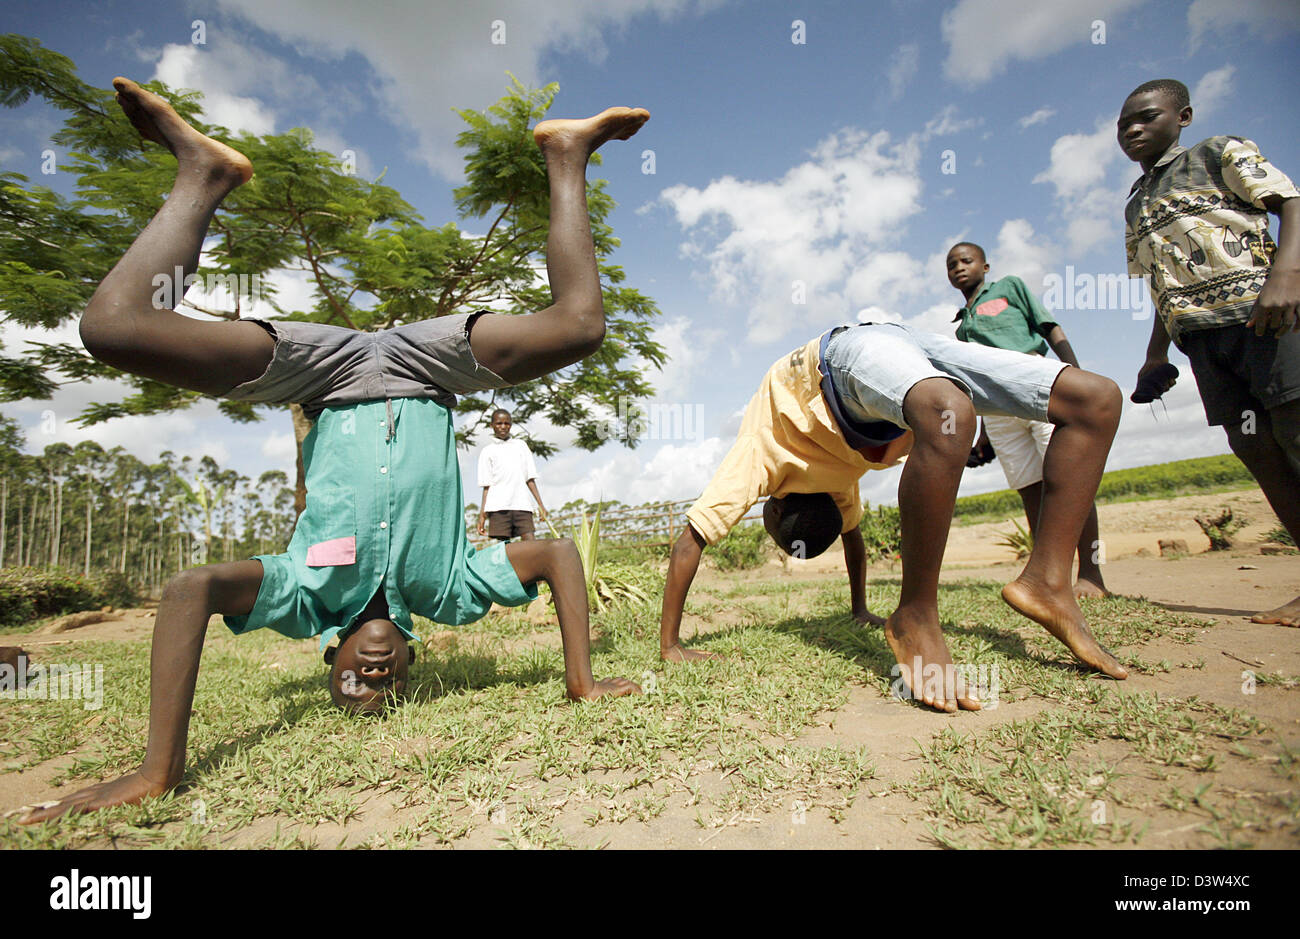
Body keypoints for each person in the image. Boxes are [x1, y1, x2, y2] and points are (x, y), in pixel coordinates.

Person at [17, 77, 649, 824]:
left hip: (325, 372)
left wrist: (159, 767)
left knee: (113, 329)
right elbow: (557, 559)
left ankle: (203, 174)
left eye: (355, 686)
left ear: (331, 663)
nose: (373, 678)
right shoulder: (448, 591)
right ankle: (567, 154)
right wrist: (580, 679)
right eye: (388, 689)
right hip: (427, 366)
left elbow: (192, 591)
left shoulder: (301, 596)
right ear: (413, 667)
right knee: (580, 328)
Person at [659, 321, 1129, 712]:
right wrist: (858, 608)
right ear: (776, 506)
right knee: (1095, 400)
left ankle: (915, 613)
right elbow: (853, 543)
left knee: (951, 411)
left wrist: (671, 646)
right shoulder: (832, 488)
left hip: (843, 360)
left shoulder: (759, 453)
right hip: (902, 353)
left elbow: (693, 542)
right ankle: (1046, 581)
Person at [1119, 78, 1300, 627]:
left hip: (1265, 320)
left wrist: (1285, 275)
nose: (1132, 130)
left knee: (1295, 435)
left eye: (1146, 117)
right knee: (1258, 452)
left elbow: (1290, 202)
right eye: (1124, 125)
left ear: (1184, 116)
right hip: (1200, 341)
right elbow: (1159, 283)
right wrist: (1157, 355)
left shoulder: (1218, 153)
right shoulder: (1136, 203)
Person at [946, 242, 1108, 597]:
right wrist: (983, 434)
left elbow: (1050, 328)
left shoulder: (1010, 287)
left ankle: (1092, 574)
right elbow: (977, 385)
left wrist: (1075, 375)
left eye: (966, 260)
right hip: (998, 407)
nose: (959, 267)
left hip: (1039, 383)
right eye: (951, 264)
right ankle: (1048, 577)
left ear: (985, 267)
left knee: (1068, 478)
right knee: (1029, 487)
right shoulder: (961, 329)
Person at [477, 409, 548, 542]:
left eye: (507, 423)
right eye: (499, 423)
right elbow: (486, 486)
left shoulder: (521, 446)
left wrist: (540, 504)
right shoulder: (487, 451)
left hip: (522, 505)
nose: (503, 427)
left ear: (511, 425)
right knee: (503, 550)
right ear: (492, 425)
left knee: (530, 544)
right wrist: (482, 515)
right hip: (498, 508)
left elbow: (530, 478)